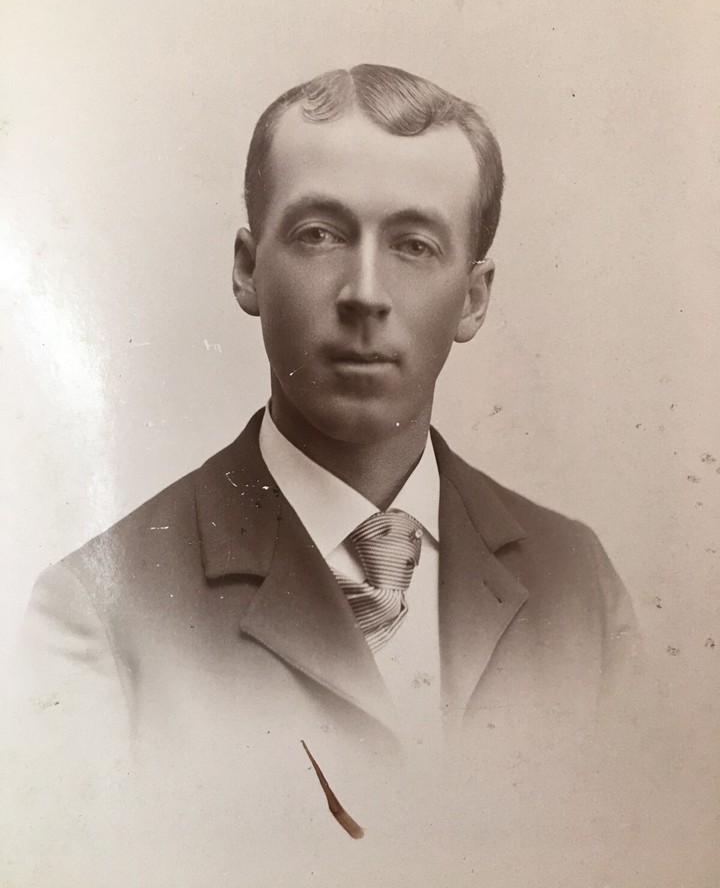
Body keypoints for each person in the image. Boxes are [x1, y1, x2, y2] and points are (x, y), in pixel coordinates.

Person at [7, 64, 641, 887]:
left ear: (475, 298)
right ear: (247, 269)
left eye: (415, 245)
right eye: (318, 235)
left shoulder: (577, 585)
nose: (365, 294)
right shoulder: (101, 612)